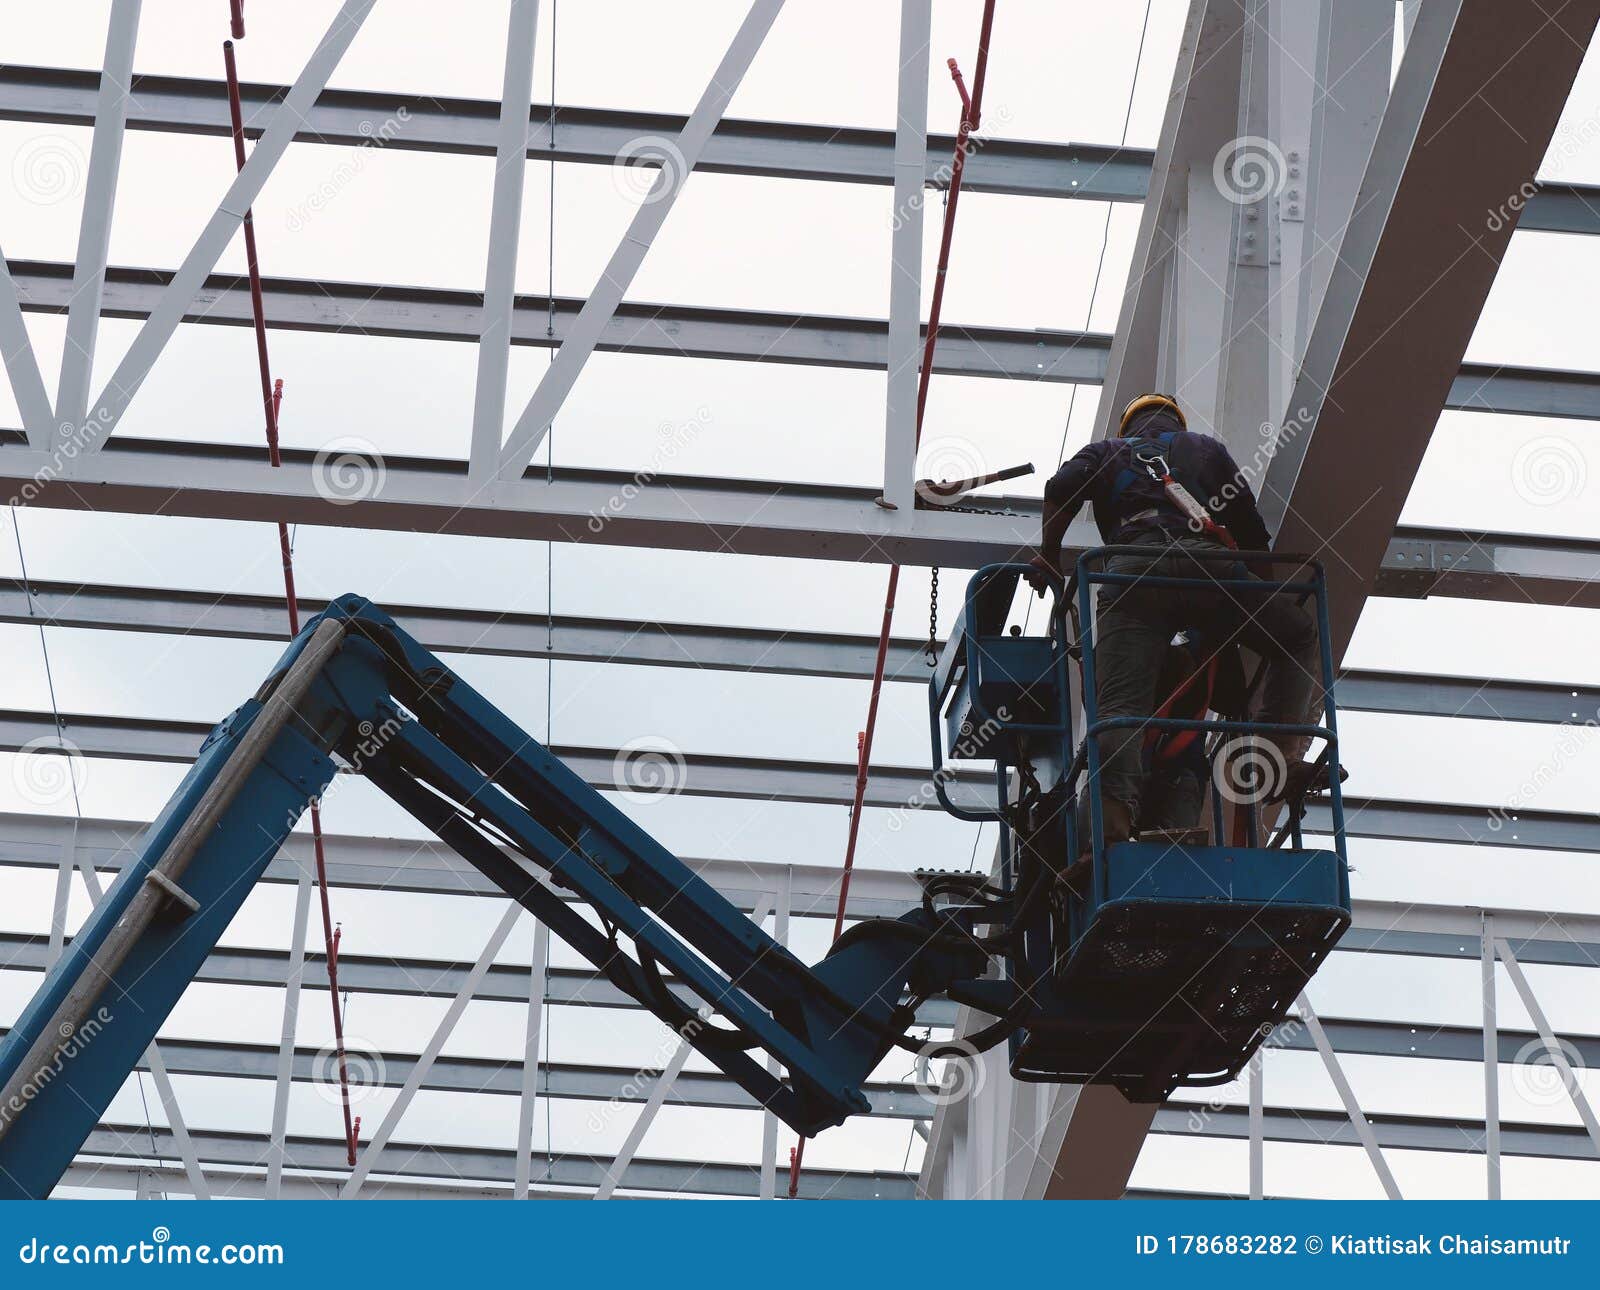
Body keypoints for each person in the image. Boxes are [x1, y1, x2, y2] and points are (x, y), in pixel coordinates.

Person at [1028, 393, 1322, 852]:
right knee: (1296, 636)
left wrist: (1048, 554)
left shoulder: (1108, 451)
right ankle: (1273, 764)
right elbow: (1251, 533)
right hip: (1208, 570)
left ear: (1130, 426)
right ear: (1174, 421)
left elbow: (1060, 487)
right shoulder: (1202, 448)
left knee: (1118, 711)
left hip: (1131, 574)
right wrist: (1253, 606)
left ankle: (1106, 841)